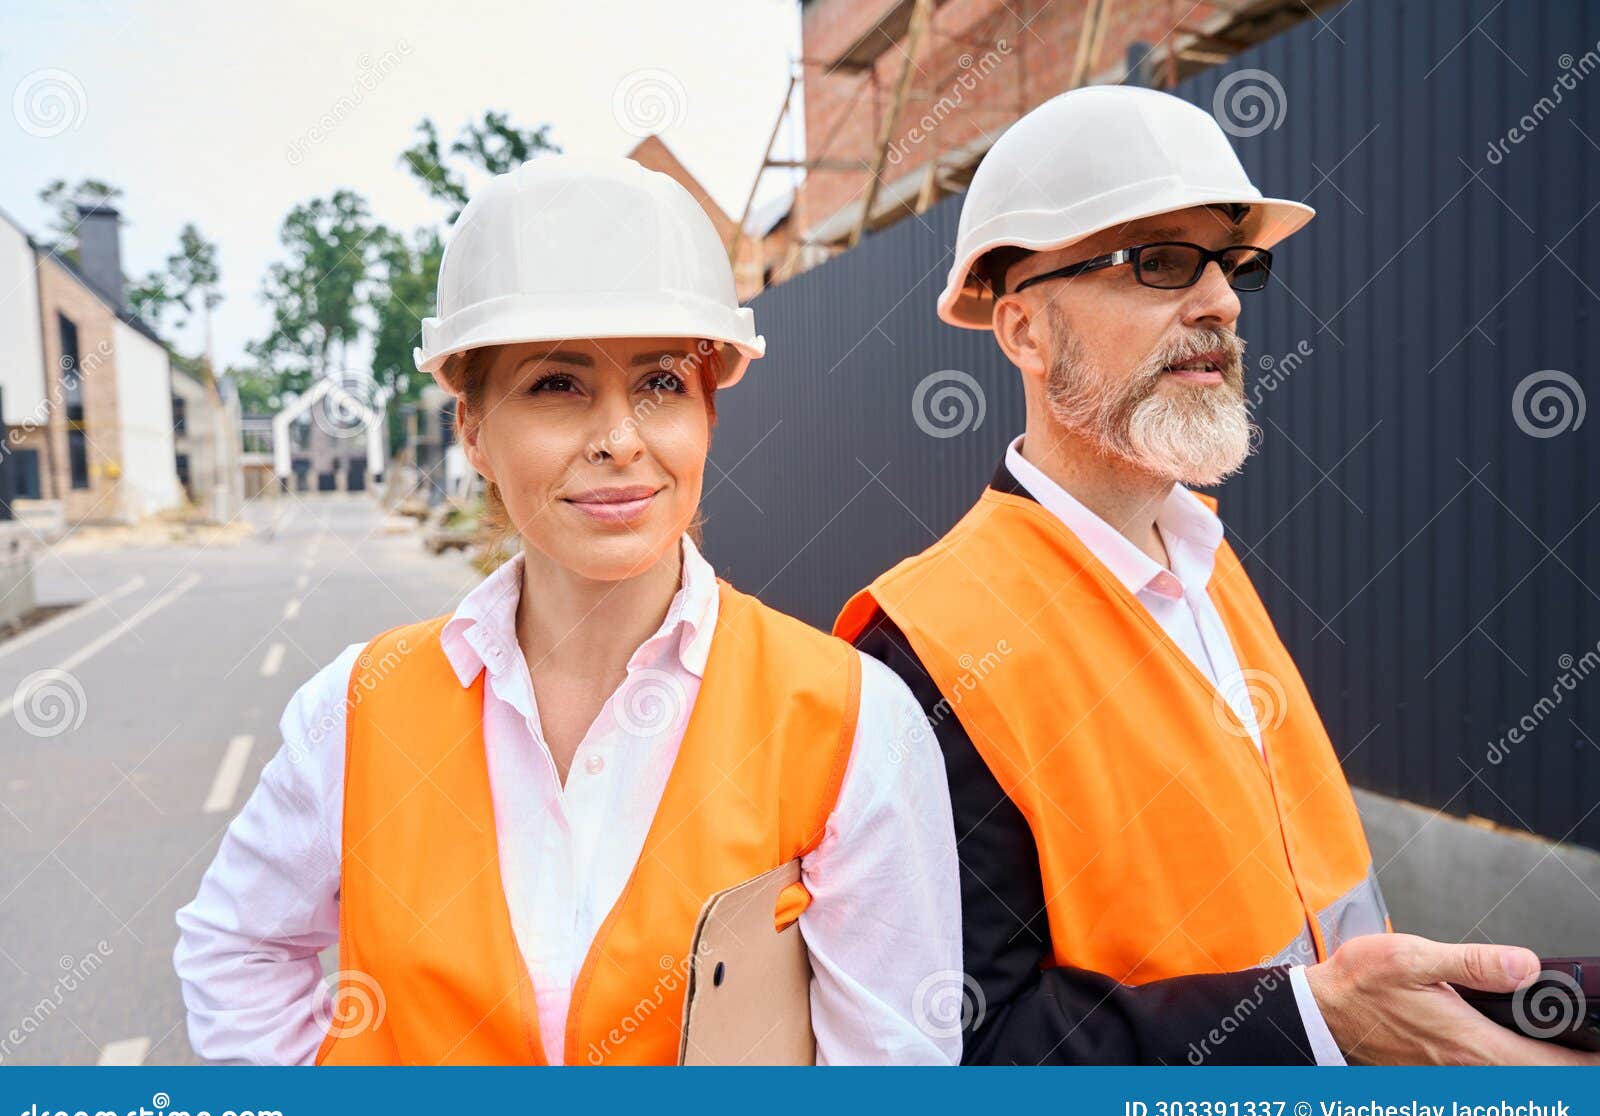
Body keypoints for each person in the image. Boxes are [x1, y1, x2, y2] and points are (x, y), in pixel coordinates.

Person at [836, 86, 1595, 1066]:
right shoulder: (920, 646)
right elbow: (976, 1053)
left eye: (1232, 265)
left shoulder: (1198, 549)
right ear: (1022, 331)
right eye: (1160, 262)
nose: (1223, 302)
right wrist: (1314, 1023)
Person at [175, 155, 961, 1066]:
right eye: (557, 385)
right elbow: (236, 949)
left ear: (708, 411)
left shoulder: (852, 721)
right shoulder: (354, 713)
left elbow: (894, 1073)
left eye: (662, 383)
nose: (620, 440)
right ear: (472, 429)